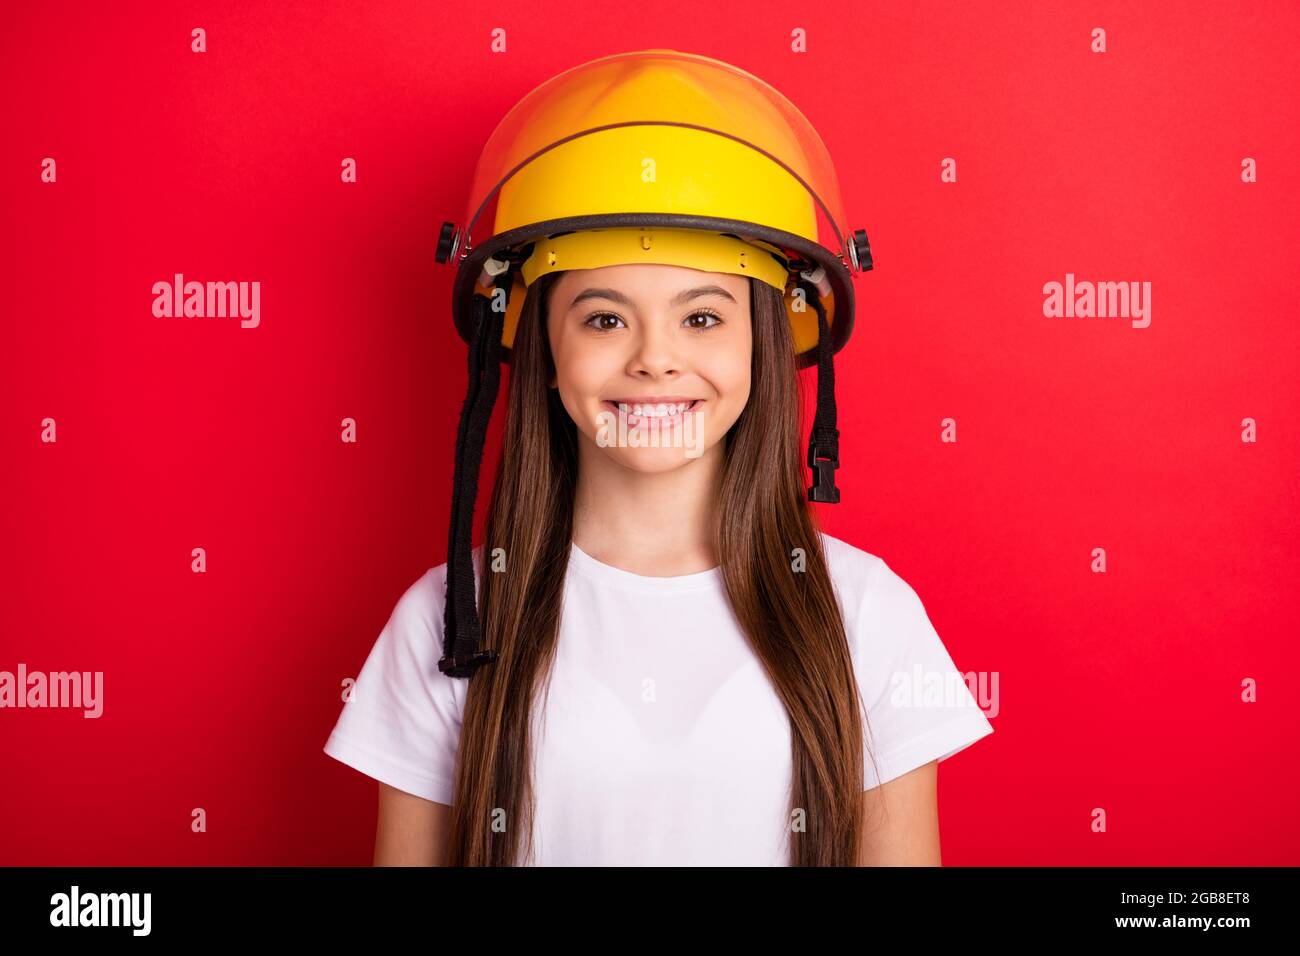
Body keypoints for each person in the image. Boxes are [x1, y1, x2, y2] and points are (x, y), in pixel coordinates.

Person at [323, 49, 994, 866]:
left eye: (702, 318)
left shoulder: (866, 614)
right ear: (545, 350)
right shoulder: (446, 621)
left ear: (765, 344)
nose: (654, 360)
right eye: (604, 319)